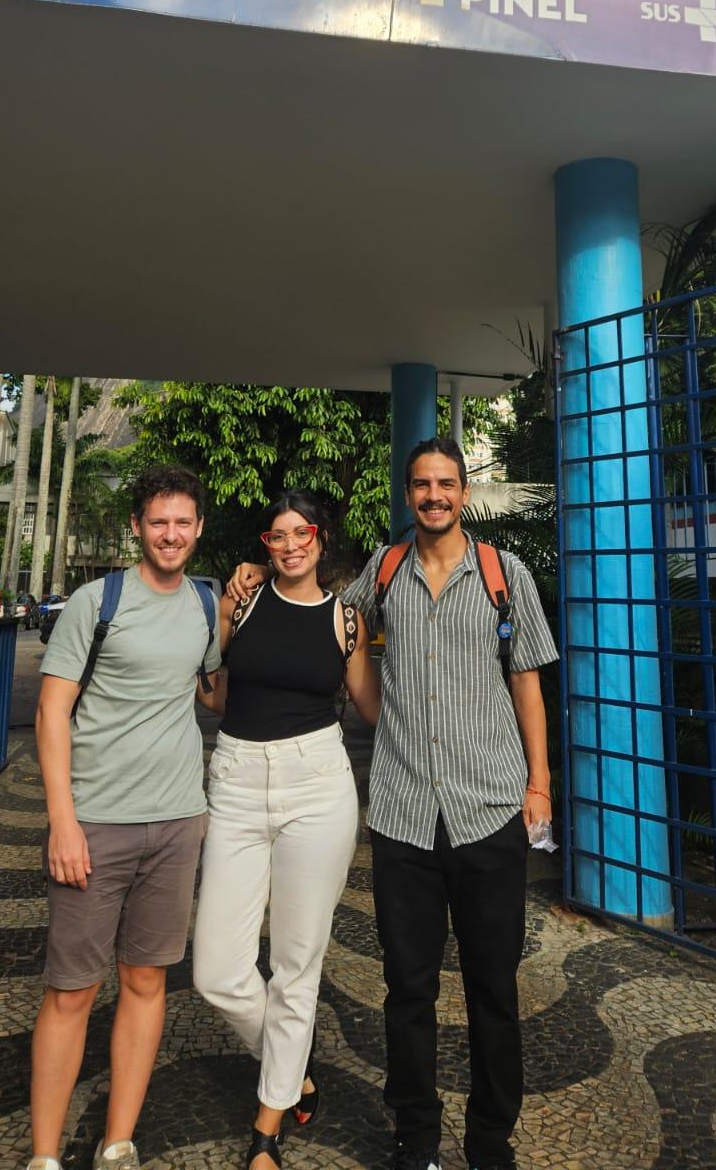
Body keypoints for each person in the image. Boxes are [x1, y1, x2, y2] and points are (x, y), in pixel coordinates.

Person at [229, 438, 557, 1170]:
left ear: (464, 492)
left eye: (445, 484)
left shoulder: (508, 576)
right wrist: (256, 572)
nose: (433, 496)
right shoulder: (383, 573)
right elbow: (317, 613)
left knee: (491, 988)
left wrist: (540, 782)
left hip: (490, 808)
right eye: (420, 485)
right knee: (406, 989)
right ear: (407, 495)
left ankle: (490, 1139)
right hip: (405, 813)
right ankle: (416, 1136)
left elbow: (528, 680)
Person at [27, 465, 223, 1170]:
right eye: (158, 522)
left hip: (178, 822)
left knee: (146, 982)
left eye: (183, 523)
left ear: (198, 530)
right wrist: (63, 821)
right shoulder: (96, 600)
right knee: (72, 990)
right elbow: (52, 710)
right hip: (98, 822)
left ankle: (118, 1140)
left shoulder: (206, 604)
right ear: (138, 527)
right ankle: (45, 1155)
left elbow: (208, 695)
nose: (170, 534)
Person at [193, 492, 380, 1170]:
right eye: (278, 535)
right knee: (217, 969)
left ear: (321, 539)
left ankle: (266, 1133)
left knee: (297, 967)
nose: (292, 544)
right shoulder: (241, 602)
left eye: (303, 533)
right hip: (238, 779)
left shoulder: (346, 620)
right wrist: (218, 616)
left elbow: (370, 708)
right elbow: (211, 693)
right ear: (266, 544)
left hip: (317, 784)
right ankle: (295, 1068)